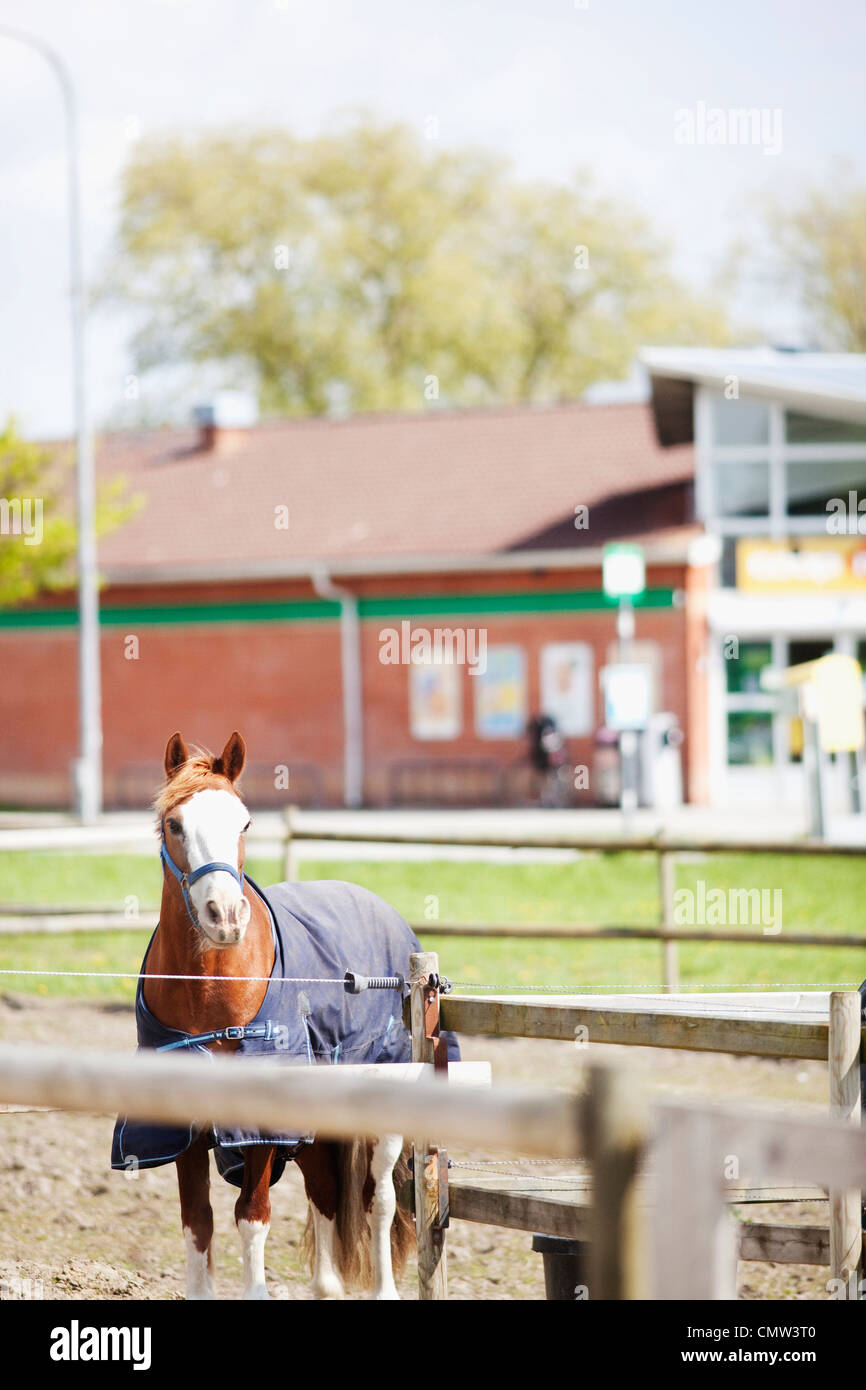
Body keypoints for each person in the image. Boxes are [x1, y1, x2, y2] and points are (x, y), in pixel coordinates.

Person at [526, 713, 570, 807]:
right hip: (546, 762)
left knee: (555, 778)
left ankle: (553, 797)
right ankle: (548, 797)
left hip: (553, 763)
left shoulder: (549, 735)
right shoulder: (545, 735)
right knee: (549, 779)